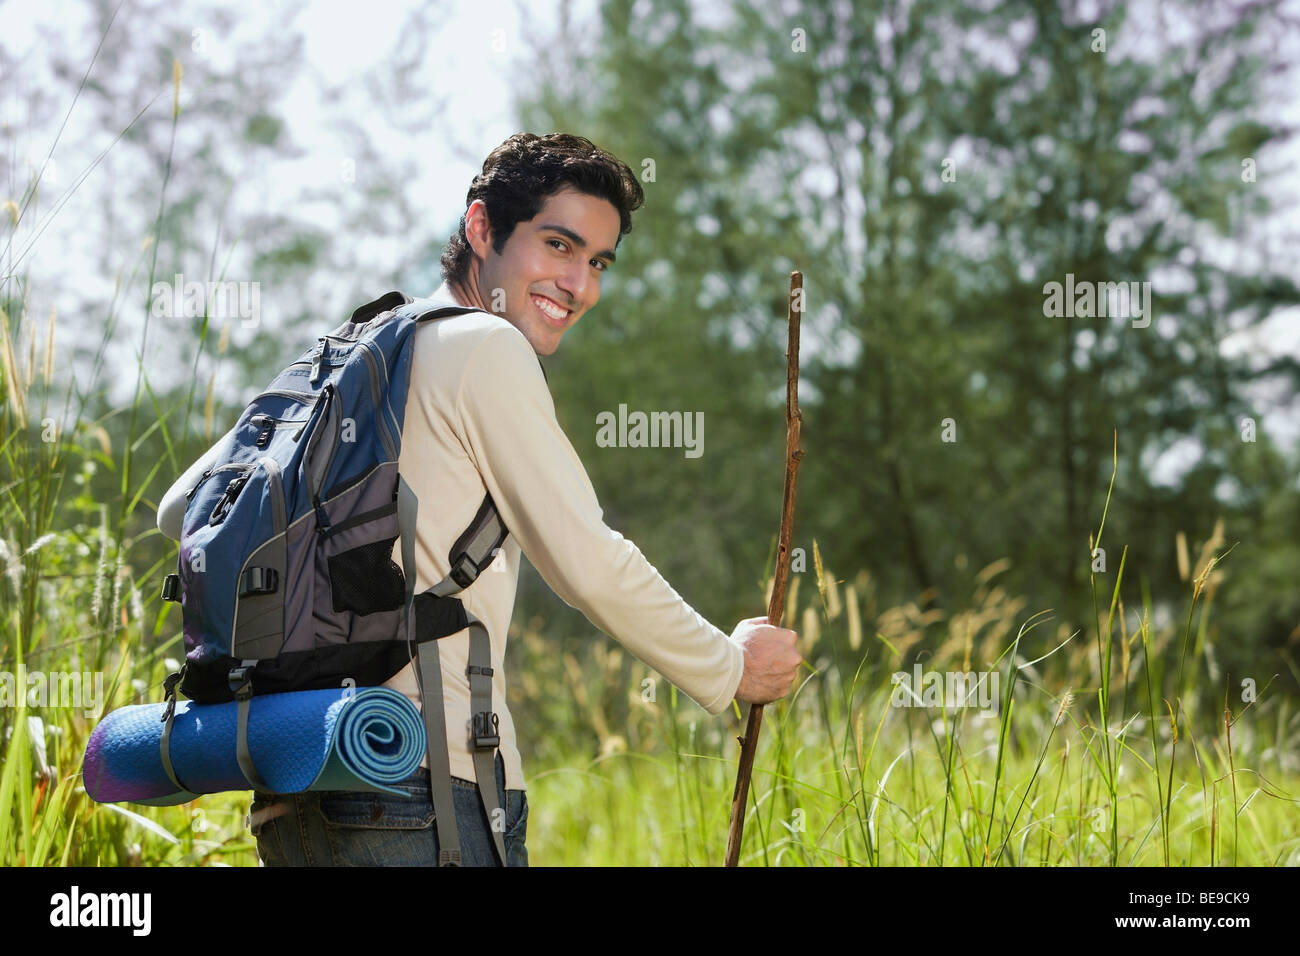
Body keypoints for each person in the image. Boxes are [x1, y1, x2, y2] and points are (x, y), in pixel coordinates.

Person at [156, 132, 803, 866]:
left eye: (597, 262)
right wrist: (727, 665)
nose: (580, 284)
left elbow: (183, 510)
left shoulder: (359, 346)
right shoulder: (487, 349)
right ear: (481, 227)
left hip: (303, 779)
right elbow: (587, 561)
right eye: (558, 246)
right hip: (426, 787)